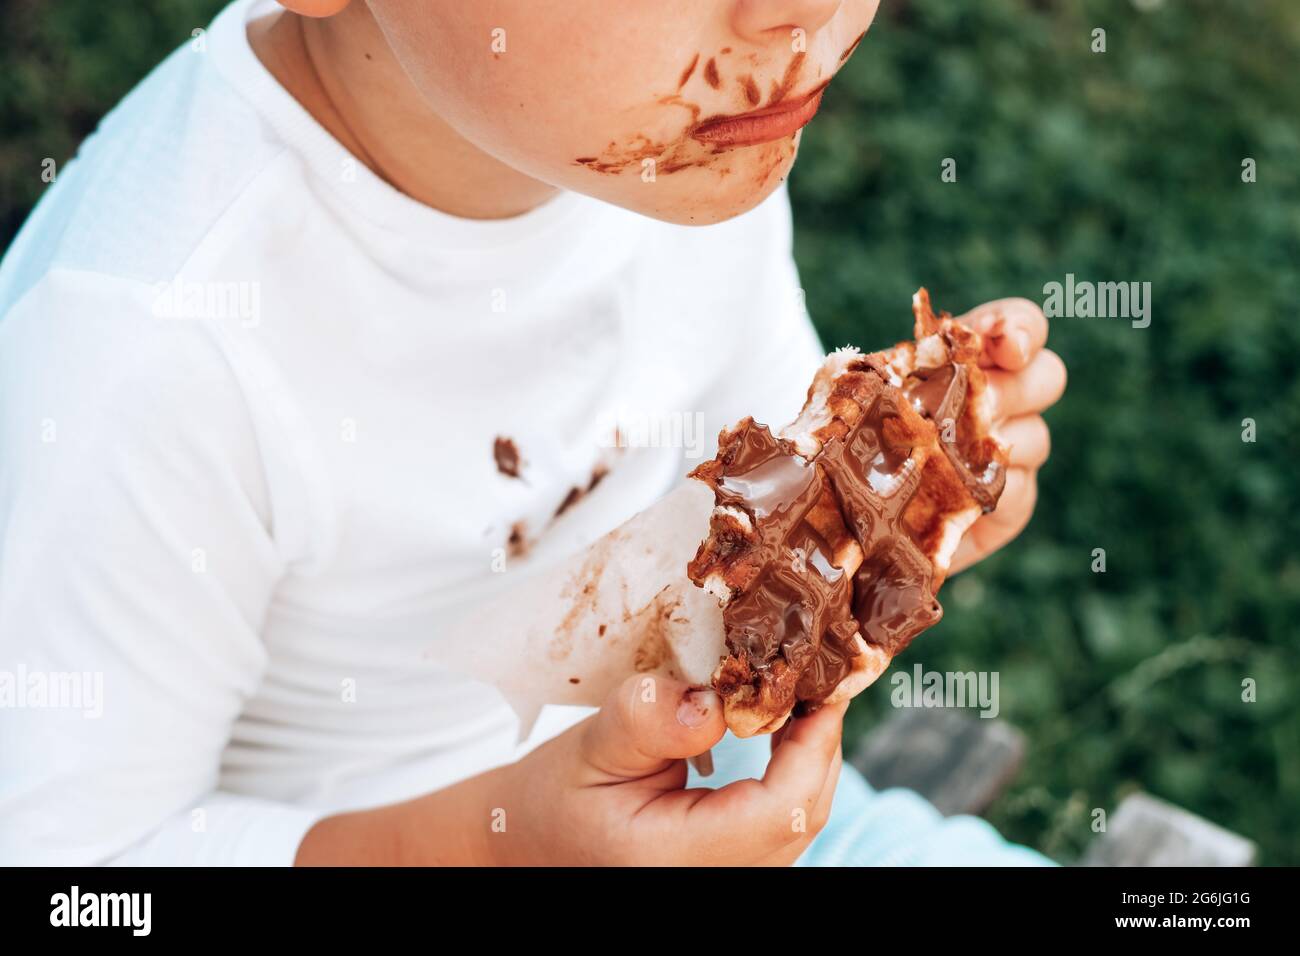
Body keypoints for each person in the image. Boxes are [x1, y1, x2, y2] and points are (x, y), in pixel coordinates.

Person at [0, 0, 1065, 865]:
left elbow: (730, 517)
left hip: (735, 808)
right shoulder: (142, 349)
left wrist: (888, 516)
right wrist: (506, 843)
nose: (803, 10)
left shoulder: (677, 146)